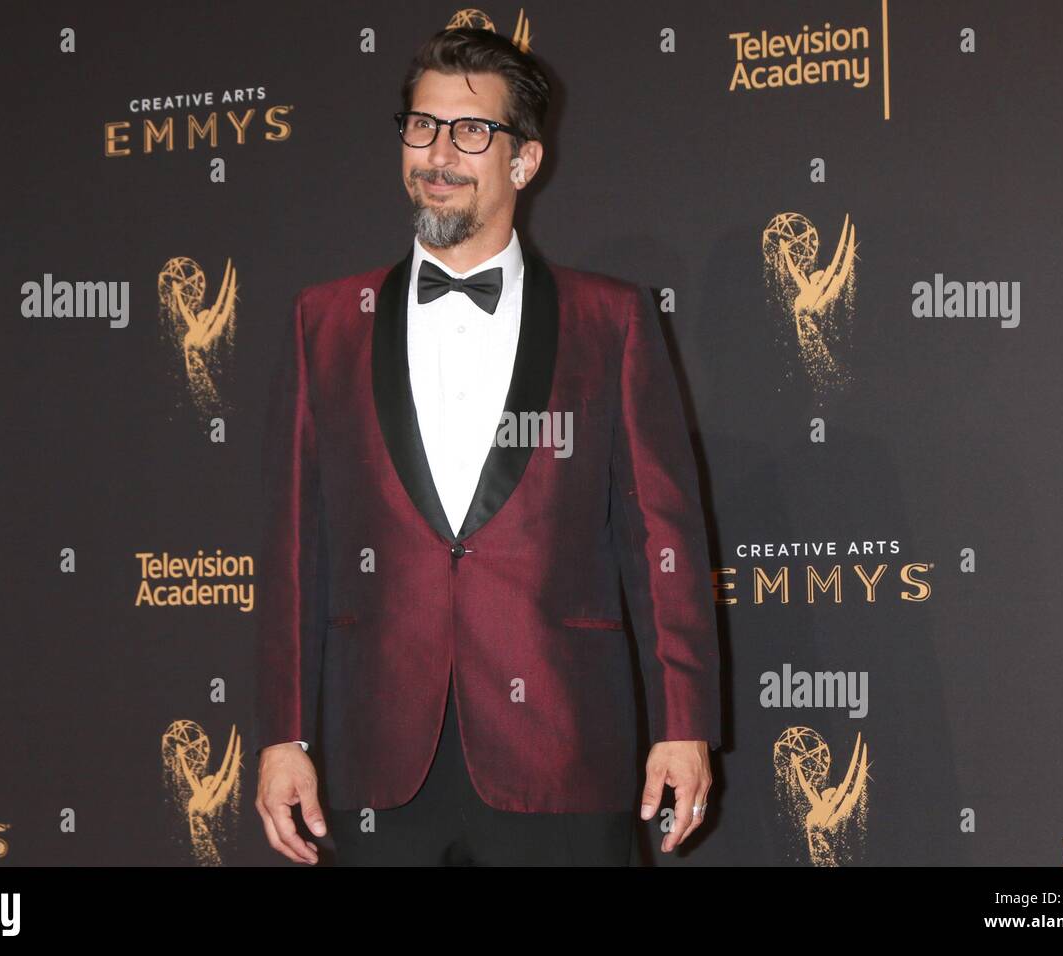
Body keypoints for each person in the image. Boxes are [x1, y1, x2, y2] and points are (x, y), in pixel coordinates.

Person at [254, 26, 721, 866]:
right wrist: (285, 734)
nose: (440, 152)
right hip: (375, 759)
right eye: (422, 126)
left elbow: (661, 536)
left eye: (473, 132)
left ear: (526, 160)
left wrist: (683, 721)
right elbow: (297, 543)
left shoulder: (609, 320)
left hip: (561, 747)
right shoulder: (324, 321)